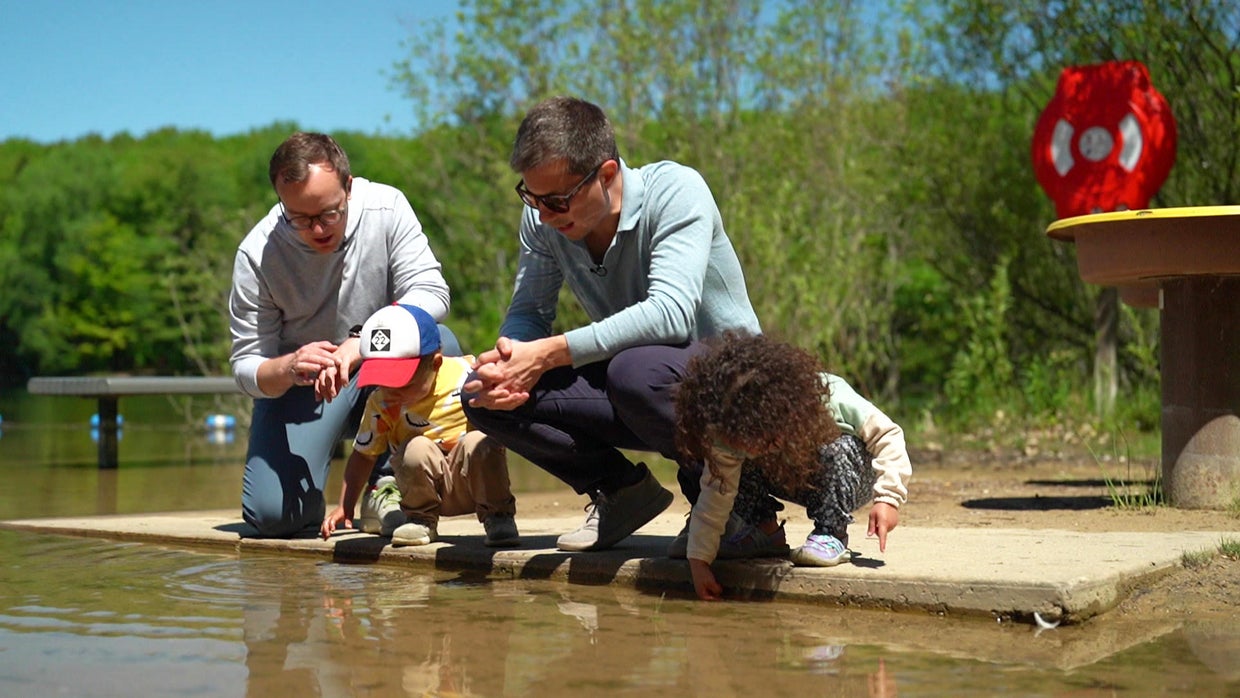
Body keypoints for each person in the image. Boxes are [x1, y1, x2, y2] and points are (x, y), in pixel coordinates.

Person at [462, 96, 762, 553]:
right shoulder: (543, 218)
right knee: (482, 396)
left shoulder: (676, 190)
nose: (544, 215)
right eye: (532, 197)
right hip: (640, 380)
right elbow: (529, 311)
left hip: (730, 383)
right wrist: (509, 361)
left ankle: (743, 506)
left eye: (558, 200)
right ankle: (622, 492)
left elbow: (672, 313)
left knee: (634, 372)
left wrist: (547, 353)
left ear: (605, 174)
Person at [230, 131, 457, 538]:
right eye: (299, 217)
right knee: (272, 518)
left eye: (328, 213)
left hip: (380, 368)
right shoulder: (257, 253)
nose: (317, 229)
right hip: (306, 387)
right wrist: (289, 366)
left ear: (348, 188)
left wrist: (363, 341)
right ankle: (322, 497)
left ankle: (386, 484)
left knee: (439, 340)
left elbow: (432, 292)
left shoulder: (387, 208)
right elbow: (247, 367)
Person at [673, 332, 911, 601]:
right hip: (793, 478)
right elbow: (716, 493)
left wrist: (888, 498)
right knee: (726, 466)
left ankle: (830, 534)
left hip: (850, 474)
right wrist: (699, 561)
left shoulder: (828, 397)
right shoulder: (730, 431)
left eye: (761, 438)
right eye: (742, 441)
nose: (752, 448)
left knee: (838, 448)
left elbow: (888, 435)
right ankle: (762, 531)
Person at [320, 303, 518, 547]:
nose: (392, 392)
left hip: (473, 484)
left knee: (478, 442)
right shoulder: (381, 403)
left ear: (435, 364)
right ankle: (420, 520)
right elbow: (363, 456)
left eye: (401, 382)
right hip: (423, 489)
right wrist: (345, 506)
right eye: (383, 381)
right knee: (416, 447)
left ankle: (498, 516)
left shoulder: (466, 377)